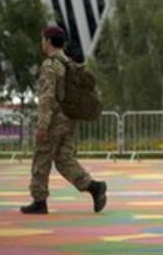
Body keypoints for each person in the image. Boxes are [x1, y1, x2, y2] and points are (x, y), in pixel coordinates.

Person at [20, 26, 107, 215]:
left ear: (49, 41)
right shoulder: (69, 63)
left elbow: (47, 98)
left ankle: (39, 200)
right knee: (63, 159)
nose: (42, 43)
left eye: (43, 39)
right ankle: (94, 187)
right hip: (70, 118)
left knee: (42, 157)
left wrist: (42, 125)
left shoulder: (50, 65)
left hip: (55, 120)